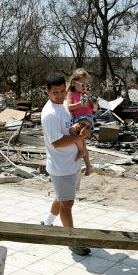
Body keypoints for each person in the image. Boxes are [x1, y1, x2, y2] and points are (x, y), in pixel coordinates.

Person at [41, 72, 92, 255]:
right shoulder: (49, 114)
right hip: (60, 166)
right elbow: (57, 142)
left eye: (63, 91)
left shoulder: (63, 105)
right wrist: (78, 137)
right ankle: (72, 240)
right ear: (47, 91)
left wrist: (81, 127)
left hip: (71, 163)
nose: (60, 95)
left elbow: (72, 124)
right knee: (67, 204)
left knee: (62, 197)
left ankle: (47, 222)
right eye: (55, 92)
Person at [65, 68, 98, 176]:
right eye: (82, 84)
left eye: (87, 85)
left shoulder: (87, 95)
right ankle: (88, 165)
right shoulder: (71, 94)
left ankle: (81, 151)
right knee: (82, 141)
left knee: (72, 130)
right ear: (74, 83)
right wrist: (79, 104)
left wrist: (95, 103)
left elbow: (93, 110)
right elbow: (69, 107)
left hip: (87, 119)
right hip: (78, 119)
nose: (85, 87)